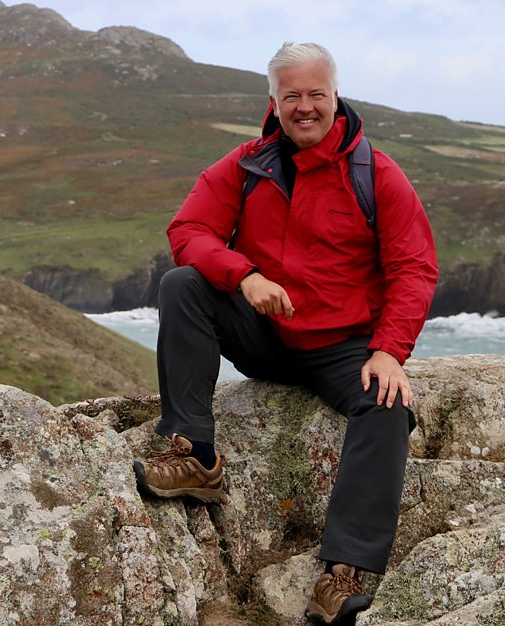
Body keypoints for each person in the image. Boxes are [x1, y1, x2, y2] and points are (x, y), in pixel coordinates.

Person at [132, 42, 439, 625]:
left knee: (388, 405)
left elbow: (414, 268)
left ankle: (343, 574)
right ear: (273, 99)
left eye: (316, 94)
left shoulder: (376, 174)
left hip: (343, 349)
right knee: (182, 285)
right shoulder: (247, 164)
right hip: (265, 338)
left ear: (335, 95)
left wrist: (388, 351)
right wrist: (243, 276)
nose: (305, 107)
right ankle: (194, 455)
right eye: (291, 95)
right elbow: (188, 229)